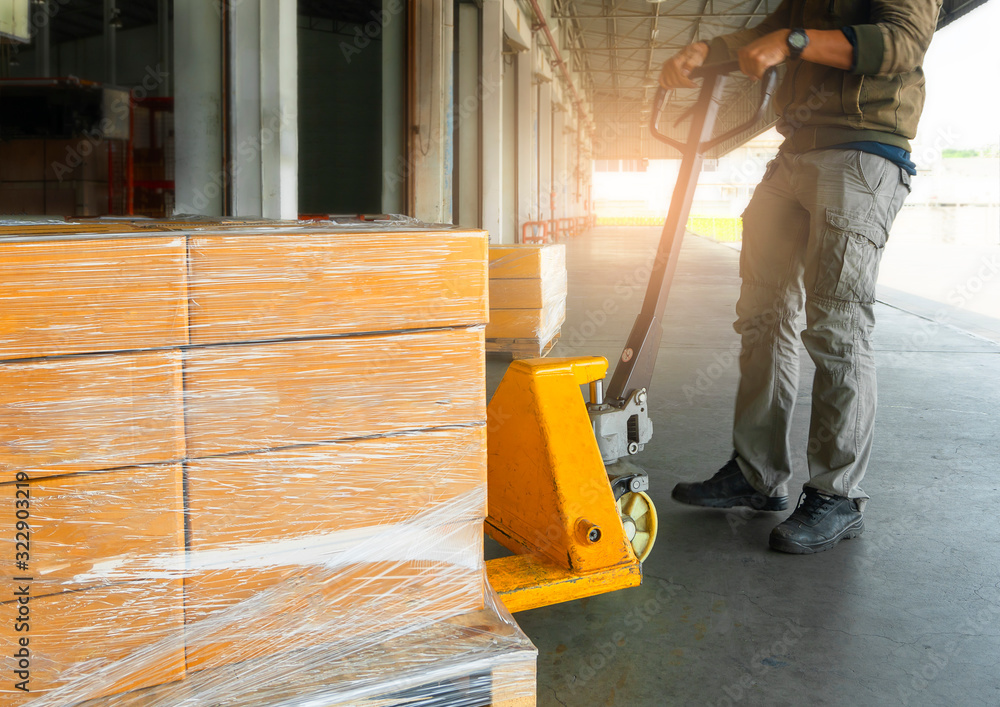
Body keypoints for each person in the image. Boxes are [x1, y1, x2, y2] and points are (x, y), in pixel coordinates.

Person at [660, 0, 941, 553]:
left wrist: (794, 44)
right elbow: (763, 33)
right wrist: (706, 51)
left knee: (836, 326)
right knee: (762, 317)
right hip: (795, 155)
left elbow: (902, 43)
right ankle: (757, 474)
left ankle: (837, 495)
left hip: (863, 152)